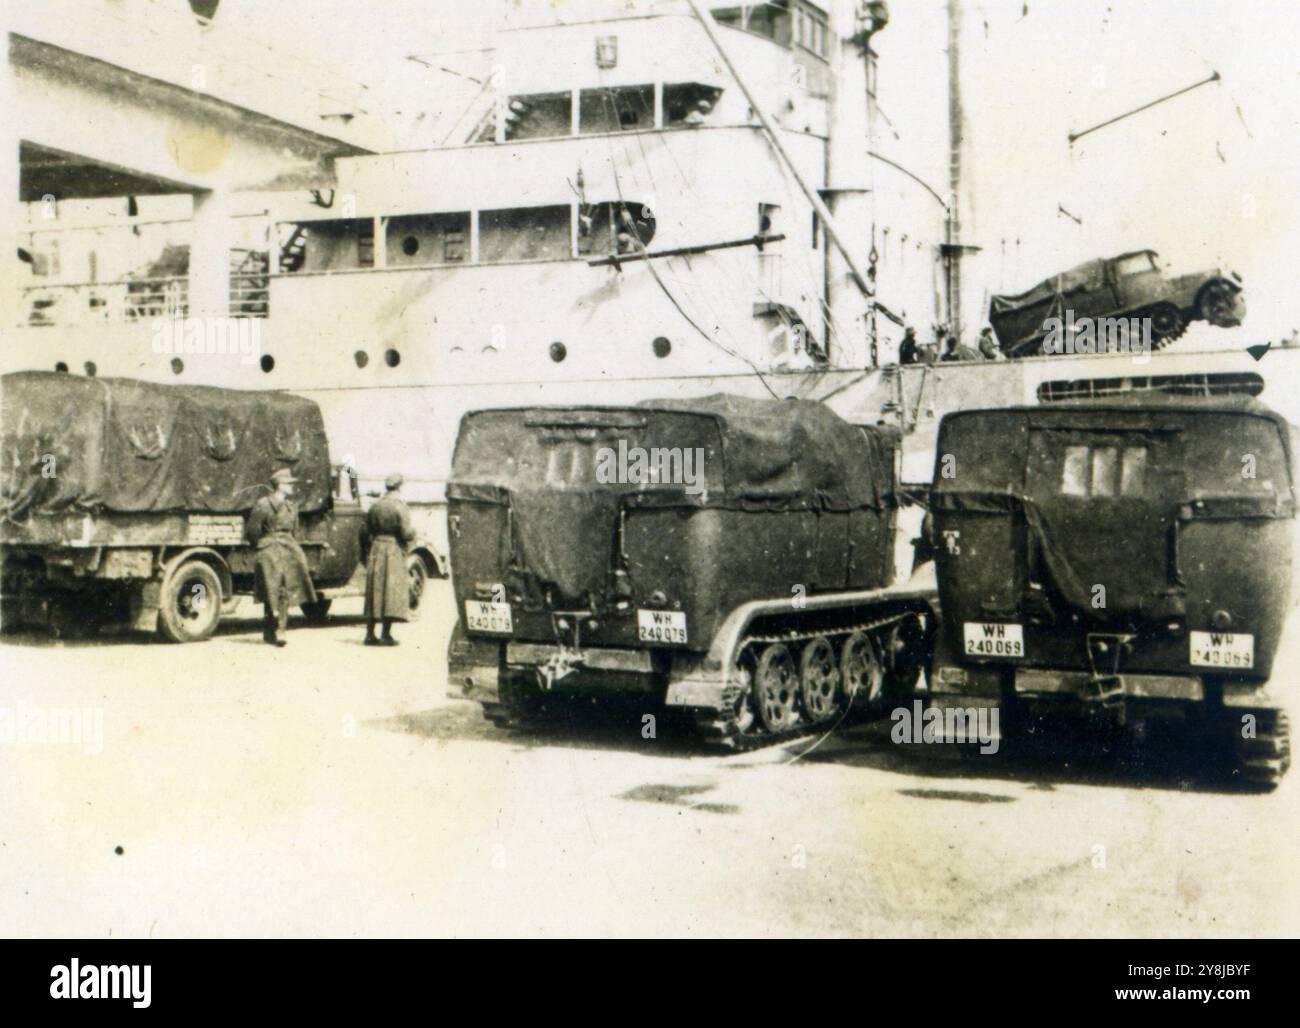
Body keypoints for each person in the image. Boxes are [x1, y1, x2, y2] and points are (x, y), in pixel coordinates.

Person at [245, 467, 318, 647]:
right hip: (269, 549)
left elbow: (295, 531)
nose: (292, 487)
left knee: (284, 590)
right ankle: (270, 629)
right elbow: (253, 531)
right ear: (280, 485)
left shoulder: (291, 507)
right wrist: (263, 545)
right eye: (289, 483)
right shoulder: (263, 504)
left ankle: (280, 630)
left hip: (288, 549)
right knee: (271, 589)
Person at [362, 473, 416, 646]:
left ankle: (369, 634)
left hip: (377, 548)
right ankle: (386, 635)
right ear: (399, 487)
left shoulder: (376, 506)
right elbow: (406, 533)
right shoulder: (400, 507)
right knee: (390, 592)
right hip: (393, 550)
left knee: (374, 590)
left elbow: (365, 530)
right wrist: (414, 532)